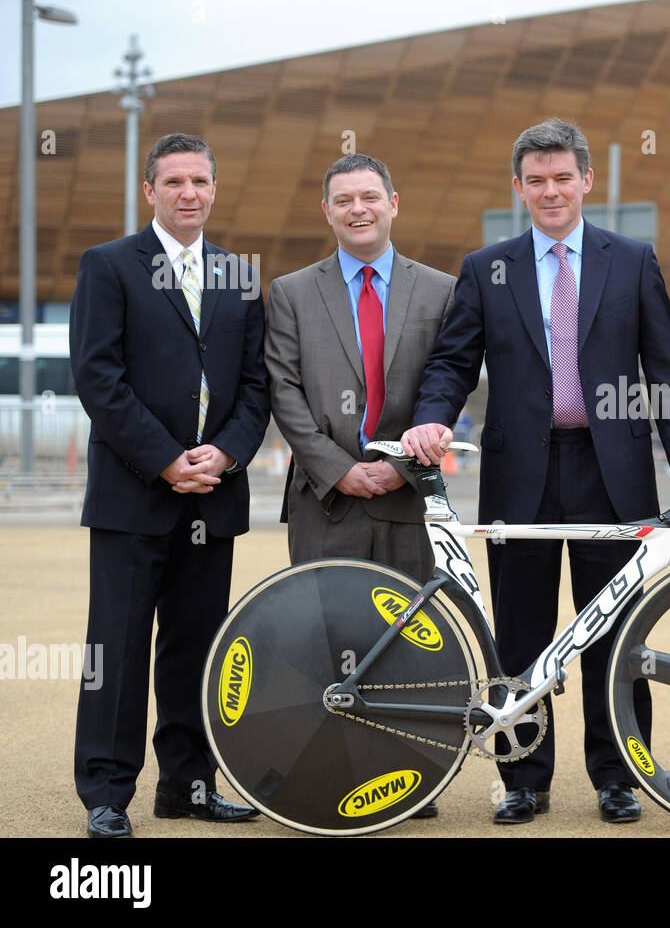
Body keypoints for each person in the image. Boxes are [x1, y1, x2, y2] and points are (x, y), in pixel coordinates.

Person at [402, 119, 670, 825]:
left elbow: (665, 371)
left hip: (615, 475)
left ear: (586, 181)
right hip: (520, 477)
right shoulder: (488, 268)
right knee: (521, 635)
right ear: (518, 188)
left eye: (562, 177)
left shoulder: (631, 260)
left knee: (615, 633)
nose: (550, 191)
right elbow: (452, 361)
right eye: (535, 180)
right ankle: (523, 779)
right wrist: (433, 415)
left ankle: (618, 774)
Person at [69, 133, 270, 837]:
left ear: (214, 189)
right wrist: (164, 458)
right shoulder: (108, 266)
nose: (189, 192)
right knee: (116, 649)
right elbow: (98, 377)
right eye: (175, 181)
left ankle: (188, 783)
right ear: (150, 191)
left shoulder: (239, 275)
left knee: (197, 646)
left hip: (213, 495)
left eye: (201, 181)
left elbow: (255, 385)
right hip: (134, 497)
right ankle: (106, 791)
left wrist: (226, 454)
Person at [264, 154, 455, 584]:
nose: (358, 209)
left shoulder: (441, 291)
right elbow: (283, 390)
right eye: (344, 200)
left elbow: (446, 381)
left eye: (370, 197)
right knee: (328, 635)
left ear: (393, 203)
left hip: (410, 496)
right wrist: (338, 470)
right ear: (327, 210)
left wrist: (403, 465)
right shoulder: (290, 293)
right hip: (324, 501)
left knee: (409, 638)